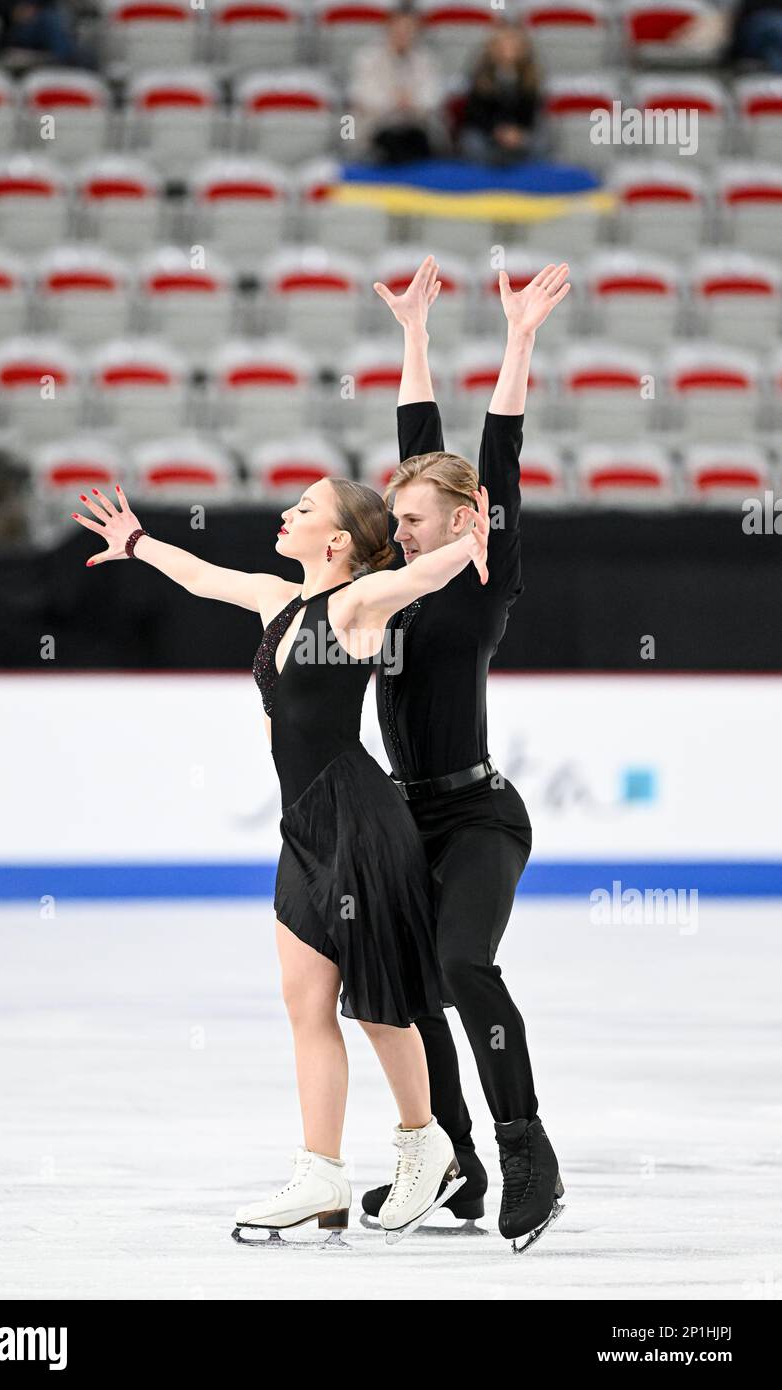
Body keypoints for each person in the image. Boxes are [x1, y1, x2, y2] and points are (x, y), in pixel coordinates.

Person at [71, 471, 492, 1244]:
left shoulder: (359, 604)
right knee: (305, 1004)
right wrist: (137, 542)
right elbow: (201, 578)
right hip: (304, 826)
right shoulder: (278, 600)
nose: (284, 514)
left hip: (361, 820)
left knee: (375, 1005)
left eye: (302, 509)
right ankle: (321, 1173)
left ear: (335, 540)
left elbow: (423, 571)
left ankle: (423, 1141)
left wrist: (472, 537)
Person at [362, 255, 569, 1252]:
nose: (393, 533)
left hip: (480, 814)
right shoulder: (396, 580)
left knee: (460, 965)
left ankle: (523, 1146)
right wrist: (414, 335)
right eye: (393, 521)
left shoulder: (485, 568)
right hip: (403, 814)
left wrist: (518, 337)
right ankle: (452, 1158)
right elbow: (416, 447)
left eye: (411, 521)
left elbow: (495, 453)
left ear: (460, 519)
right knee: (403, 993)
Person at [349, 4, 443, 165]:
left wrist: (412, 101)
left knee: (420, 144)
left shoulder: (426, 59)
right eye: (399, 28)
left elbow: (434, 95)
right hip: (379, 127)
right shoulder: (367, 57)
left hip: (415, 126)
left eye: (409, 29)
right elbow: (361, 95)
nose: (404, 34)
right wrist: (393, 100)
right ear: (388, 28)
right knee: (391, 146)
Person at [457, 21, 541, 166]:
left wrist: (517, 133)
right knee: (471, 142)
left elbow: (531, 114)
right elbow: (475, 113)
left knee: (541, 140)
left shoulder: (530, 77)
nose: (508, 51)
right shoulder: (481, 75)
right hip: (488, 134)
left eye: (513, 46)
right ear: (494, 48)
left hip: (518, 135)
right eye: (503, 45)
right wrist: (497, 132)